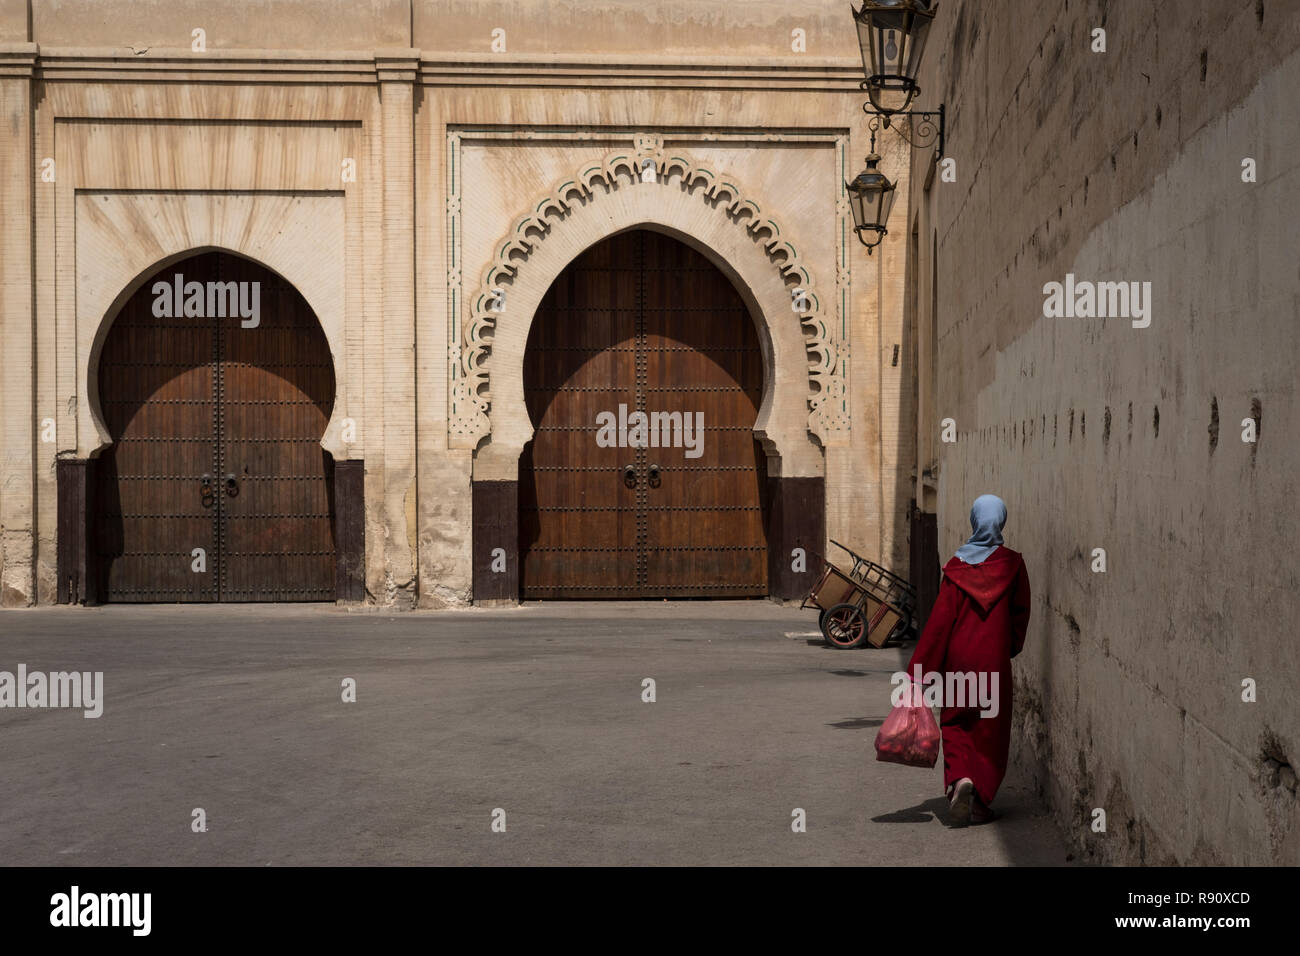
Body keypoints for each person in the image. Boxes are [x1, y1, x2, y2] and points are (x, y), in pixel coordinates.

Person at [905, 494, 1031, 826]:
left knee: (956, 722)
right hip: (994, 663)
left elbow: (939, 624)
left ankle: (961, 779)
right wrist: (1009, 647)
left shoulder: (956, 568)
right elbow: (1020, 615)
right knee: (991, 729)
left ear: (975, 521)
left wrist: (919, 671)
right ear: (1001, 521)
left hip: (959, 663)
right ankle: (981, 799)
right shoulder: (1013, 565)